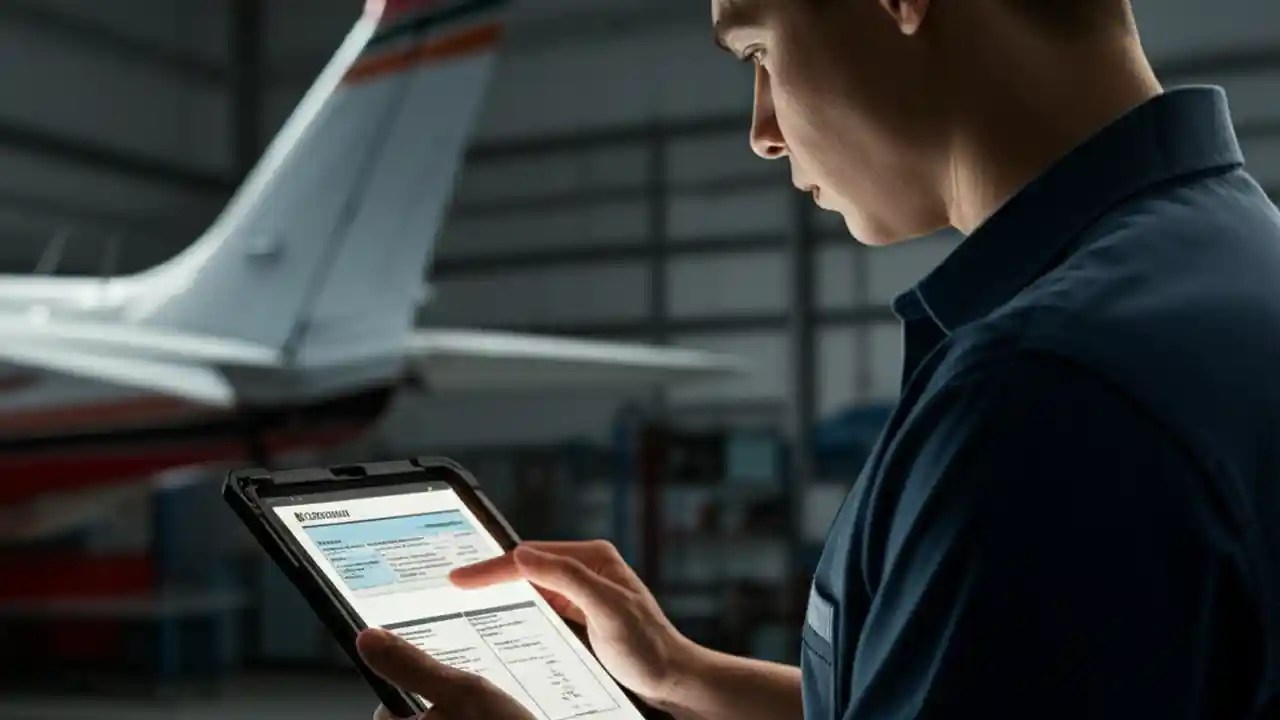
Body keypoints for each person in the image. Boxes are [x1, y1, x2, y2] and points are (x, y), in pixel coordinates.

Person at [357, 0, 1280, 717]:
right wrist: (683, 674)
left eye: (759, 50)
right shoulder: (1227, 261)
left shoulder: (1050, 392)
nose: (761, 129)